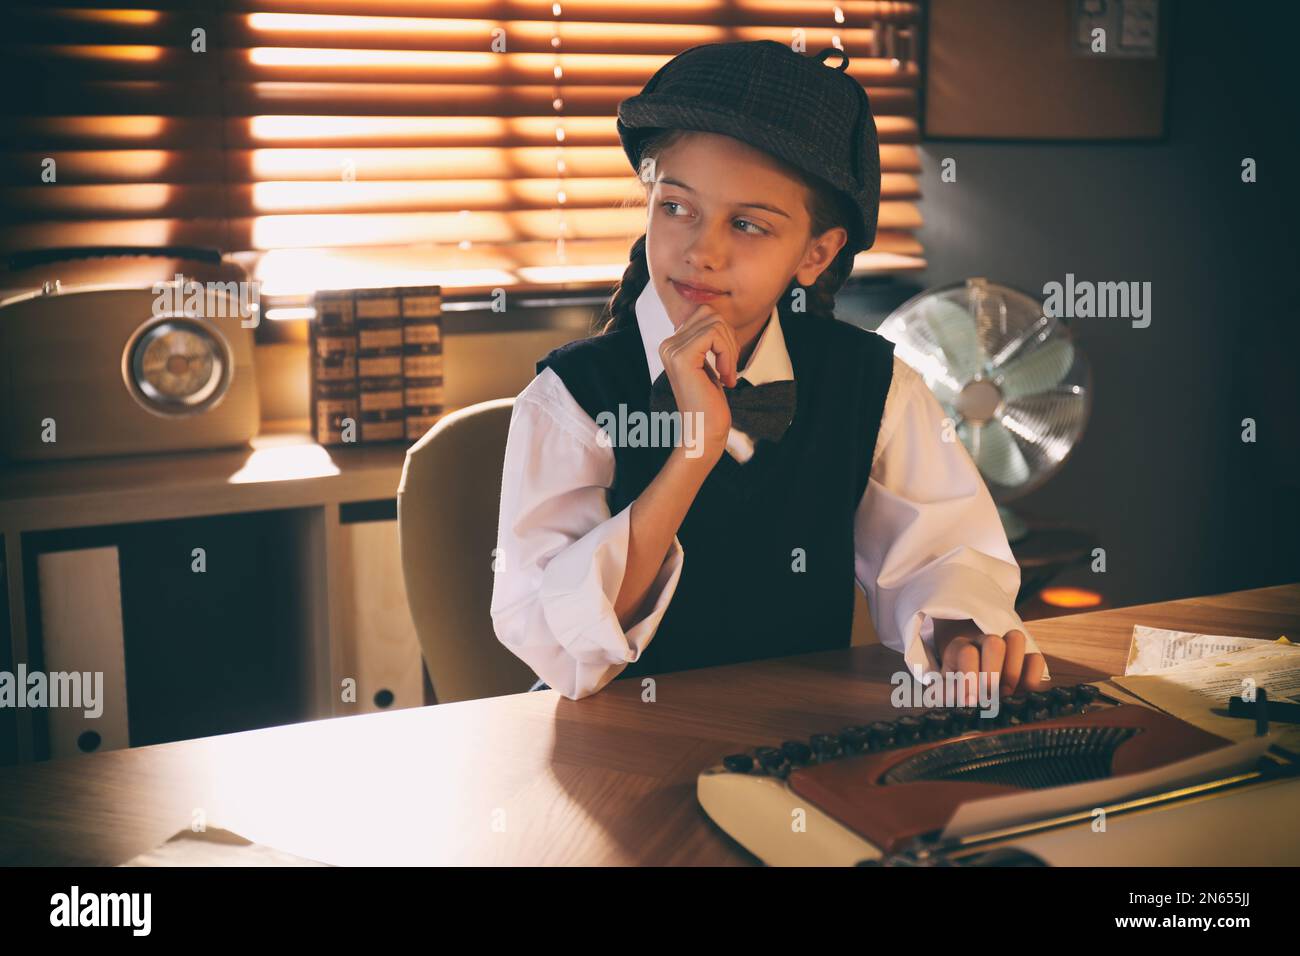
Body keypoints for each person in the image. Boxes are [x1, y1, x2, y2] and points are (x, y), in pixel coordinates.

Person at [491, 40, 1050, 701]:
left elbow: (941, 554)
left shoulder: (871, 385)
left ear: (816, 253)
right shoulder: (569, 399)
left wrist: (958, 635)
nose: (702, 250)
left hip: (797, 739)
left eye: (749, 225)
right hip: (616, 748)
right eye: (676, 207)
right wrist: (693, 454)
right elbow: (561, 646)